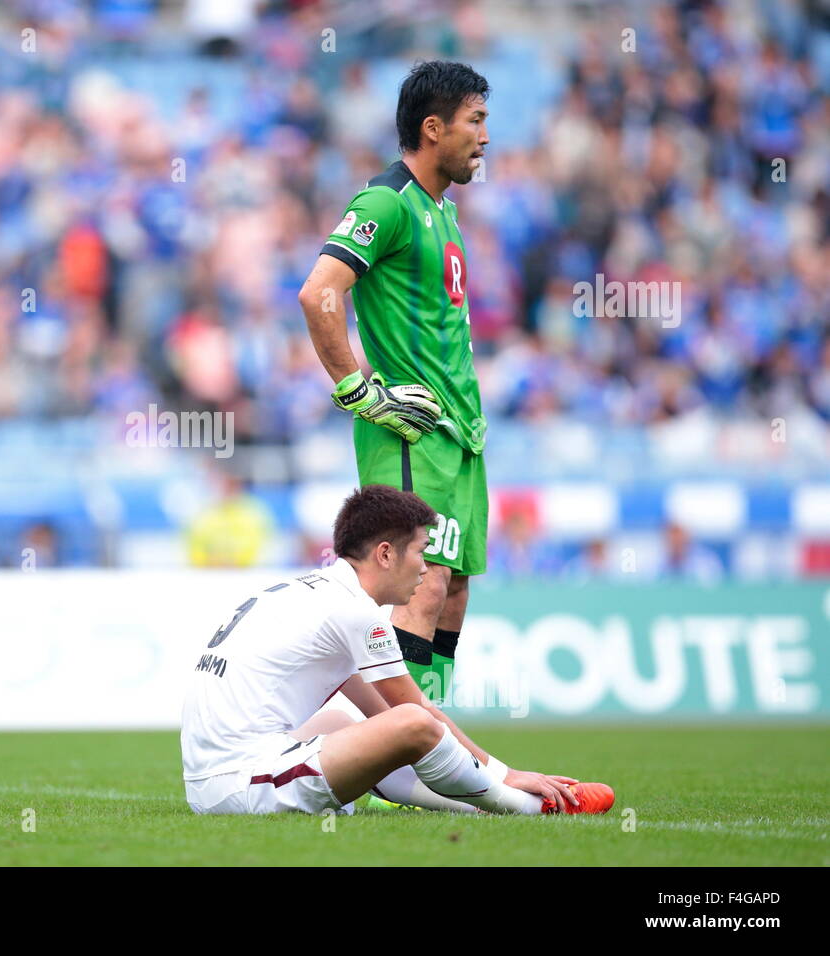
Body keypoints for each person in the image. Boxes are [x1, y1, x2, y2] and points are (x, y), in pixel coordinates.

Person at [180, 485, 614, 817]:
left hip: (213, 781)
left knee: (347, 720)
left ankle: (478, 803)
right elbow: (413, 712)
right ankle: (526, 805)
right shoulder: (355, 611)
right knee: (412, 721)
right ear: (386, 554)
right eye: (421, 551)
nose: (425, 568)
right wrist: (505, 772)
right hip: (243, 785)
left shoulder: (315, 591)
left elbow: (381, 712)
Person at [299, 60, 495, 706]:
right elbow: (318, 292)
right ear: (434, 128)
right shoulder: (386, 202)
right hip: (410, 432)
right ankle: (396, 755)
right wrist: (357, 390)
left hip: (458, 436)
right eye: (476, 120)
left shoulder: (443, 212)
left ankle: (427, 741)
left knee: (454, 591)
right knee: (422, 585)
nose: (486, 136)